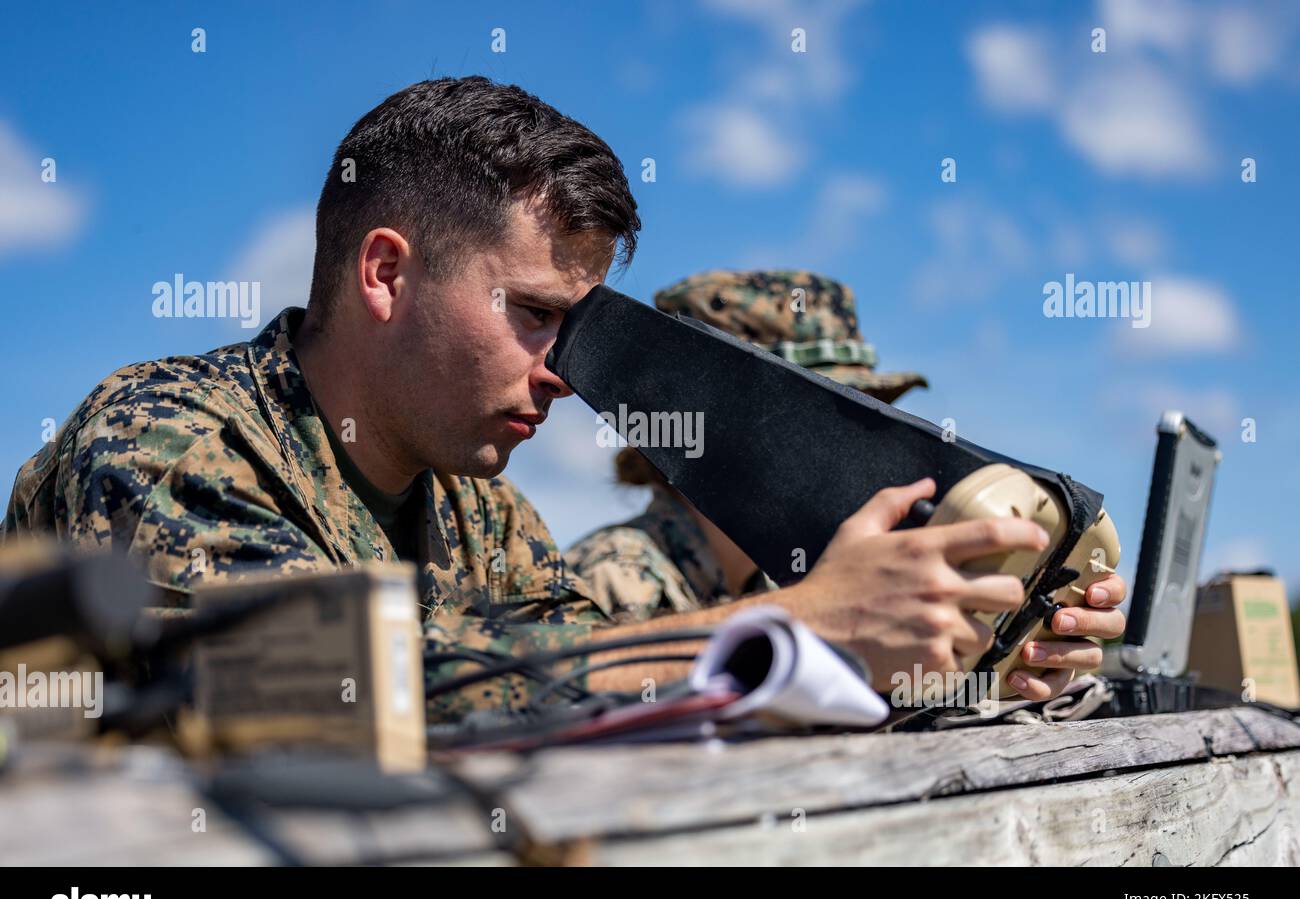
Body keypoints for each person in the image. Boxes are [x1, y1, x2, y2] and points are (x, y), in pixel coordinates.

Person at [3, 77, 1127, 721]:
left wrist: (962, 659)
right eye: (533, 313)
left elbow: (602, 683)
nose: (562, 372)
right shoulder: (166, 436)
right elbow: (317, 696)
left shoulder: (480, 511)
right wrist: (796, 623)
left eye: (574, 326)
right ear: (386, 273)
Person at [567, 268, 928, 624]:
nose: (849, 447)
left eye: (862, 419)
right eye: (818, 418)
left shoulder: (778, 581)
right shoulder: (614, 579)